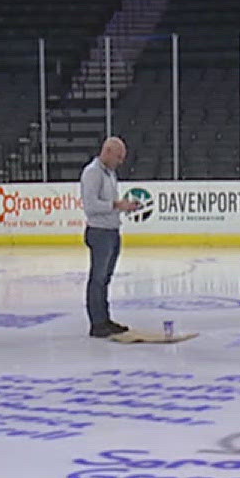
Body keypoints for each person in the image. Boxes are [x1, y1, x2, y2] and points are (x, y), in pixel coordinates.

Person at [79, 136, 148, 338]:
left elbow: (108, 204)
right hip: (100, 232)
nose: (121, 161)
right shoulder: (92, 173)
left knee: (105, 279)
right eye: (118, 157)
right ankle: (97, 323)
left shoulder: (109, 173)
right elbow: (90, 206)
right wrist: (117, 205)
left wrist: (122, 206)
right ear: (107, 151)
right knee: (98, 279)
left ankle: (104, 319)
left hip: (111, 230)